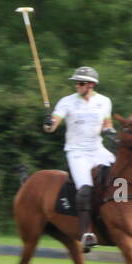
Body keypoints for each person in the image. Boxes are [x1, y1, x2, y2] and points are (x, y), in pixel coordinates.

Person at [43, 66, 115, 252]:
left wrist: (111, 133)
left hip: (98, 149)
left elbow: (107, 124)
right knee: (84, 189)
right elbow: (52, 126)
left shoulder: (104, 101)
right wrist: (49, 124)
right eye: (76, 82)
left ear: (91, 85)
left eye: (81, 83)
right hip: (77, 153)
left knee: (121, 175)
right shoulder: (66, 102)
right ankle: (86, 234)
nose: (77, 86)